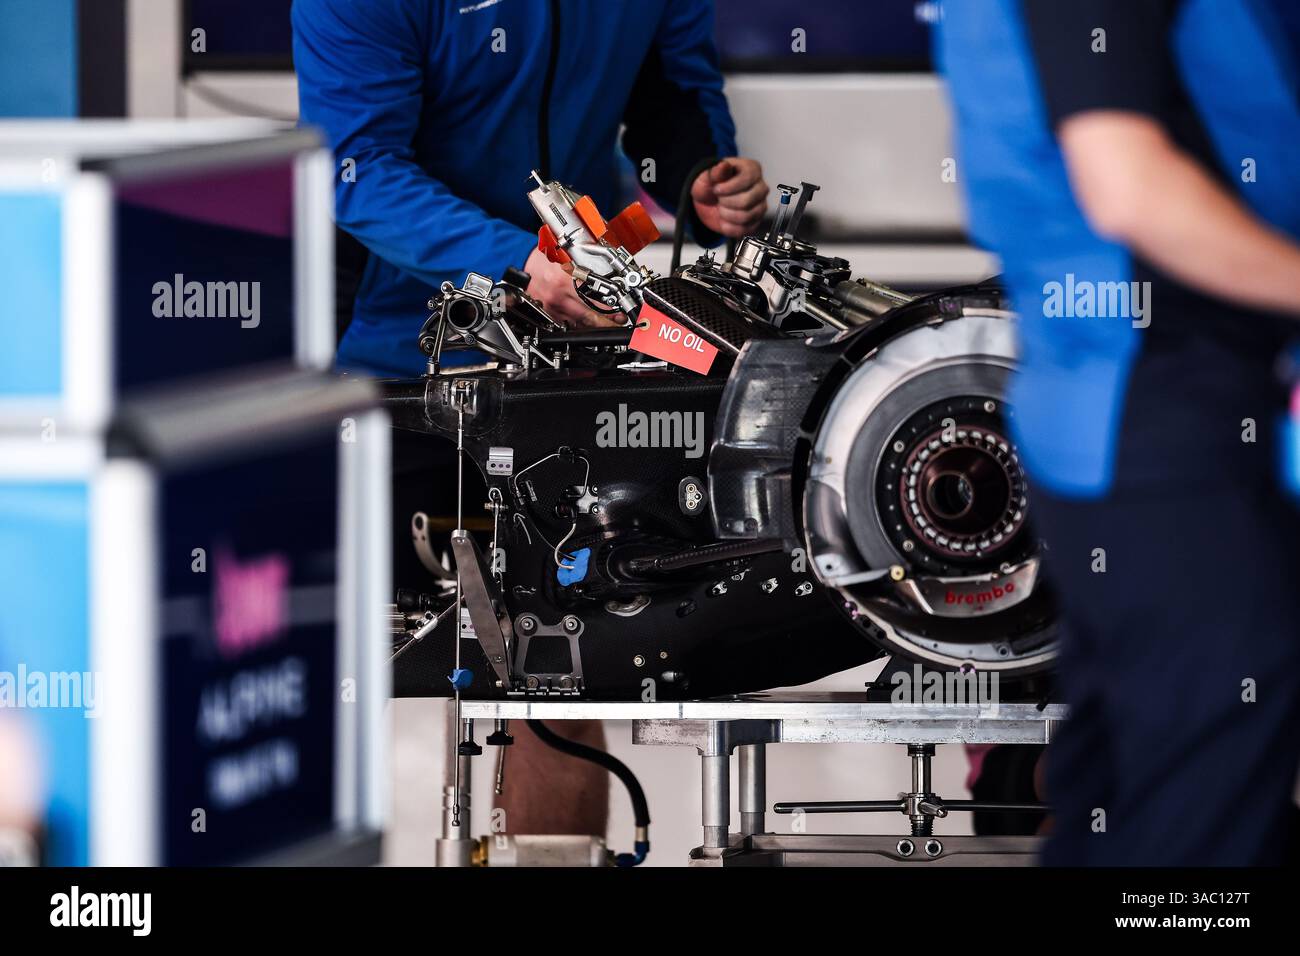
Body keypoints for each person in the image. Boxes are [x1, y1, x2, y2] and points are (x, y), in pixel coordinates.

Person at [292, 0, 767, 839]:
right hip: (390, 357)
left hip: (568, 360)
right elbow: (357, 167)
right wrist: (513, 262)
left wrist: (700, 180)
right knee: (329, 667)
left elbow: (671, 91)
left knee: (560, 665)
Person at [937, 0, 1300, 864]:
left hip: (1152, 412)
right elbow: (1127, 185)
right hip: (1164, 414)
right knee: (1202, 821)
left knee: (1138, 802)